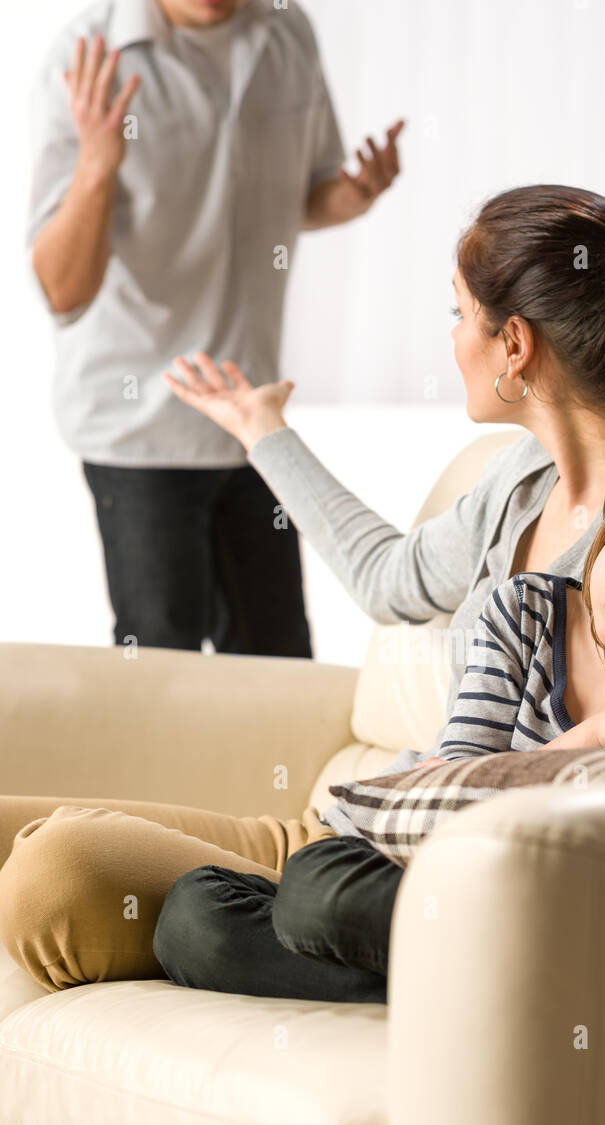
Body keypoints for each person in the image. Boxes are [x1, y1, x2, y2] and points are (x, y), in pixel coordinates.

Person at [0, 186, 605, 998]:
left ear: (513, 345)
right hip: (356, 828)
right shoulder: (518, 483)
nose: (449, 339)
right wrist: (264, 431)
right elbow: (386, 578)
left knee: (58, 875)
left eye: (456, 314)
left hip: (444, 868)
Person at [150, 414, 605, 992]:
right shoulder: (523, 612)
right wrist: (597, 734)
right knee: (200, 913)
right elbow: (453, 779)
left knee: (317, 894)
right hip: (449, 878)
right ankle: (482, 985)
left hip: (576, 908)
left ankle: (489, 977)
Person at [26, 0, 404, 655]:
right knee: (163, 666)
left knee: (277, 656)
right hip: (141, 429)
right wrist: (95, 167)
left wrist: (352, 195)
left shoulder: (287, 30)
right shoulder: (86, 57)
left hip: (249, 419)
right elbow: (63, 289)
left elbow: (302, 194)